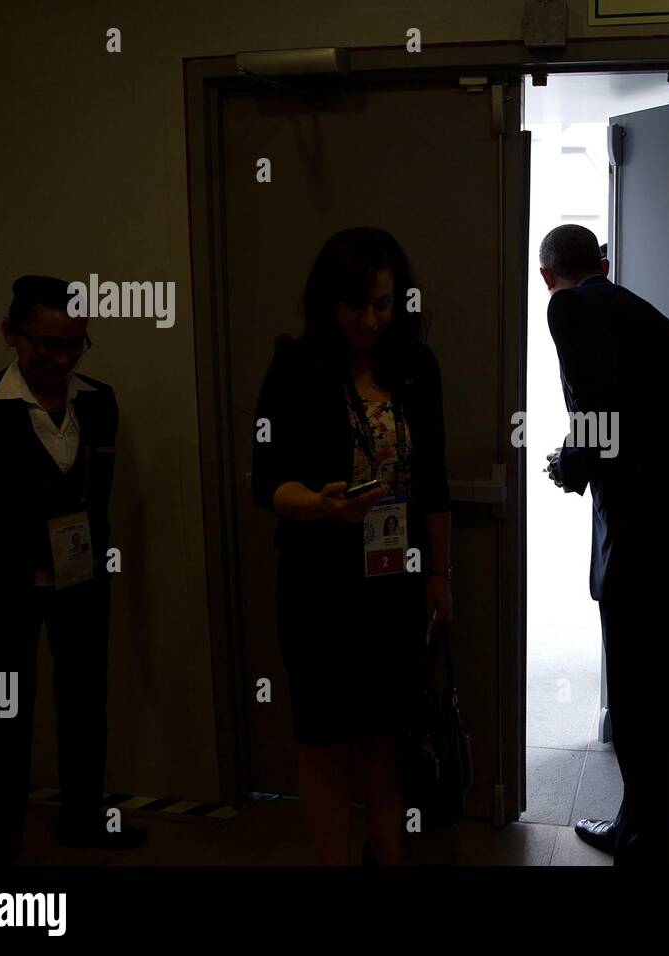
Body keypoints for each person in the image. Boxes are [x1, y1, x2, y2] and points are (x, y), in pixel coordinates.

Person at [252, 228, 453, 866]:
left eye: (384, 304)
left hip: (396, 581)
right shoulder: (294, 367)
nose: (370, 319)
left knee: (389, 736)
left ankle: (386, 851)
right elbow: (266, 483)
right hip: (319, 582)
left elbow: (435, 481)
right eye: (356, 304)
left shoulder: (417, 369)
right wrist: (320, 505)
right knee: (324, 738)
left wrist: (440, 573)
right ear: (327, 300)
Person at [540, 224, 669, 865]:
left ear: (547, 276)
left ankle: (642, 843)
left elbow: (592, 417)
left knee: (633, 696)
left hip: (644, 542)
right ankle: (643, 833)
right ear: (602, 261)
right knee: (666, 697)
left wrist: (568, 467)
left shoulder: (567, 307)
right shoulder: (647, 314)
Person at [0, 274, 144, 861]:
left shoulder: (98, 400)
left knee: (85, 700)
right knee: (8, 710)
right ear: (11, 334)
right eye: (45, 345)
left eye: (73, 344)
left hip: (80, 577)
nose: (59, 358)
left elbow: (96, 492)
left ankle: (82, 817)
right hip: (3, 589)